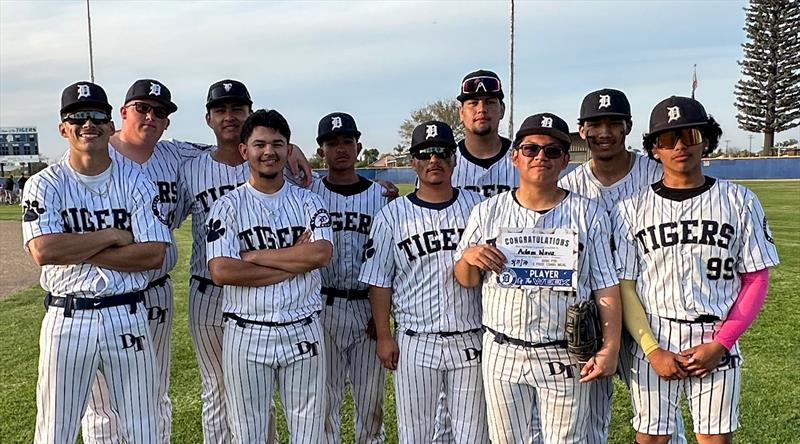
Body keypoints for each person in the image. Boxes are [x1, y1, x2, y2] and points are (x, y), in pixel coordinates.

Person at [612, 96, 779, 444]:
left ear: (705, 139)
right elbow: (625, 287)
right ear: (654, 150)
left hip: (716, 337)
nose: (678, 146)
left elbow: (755, 278)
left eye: (688, 135)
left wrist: (722, 343)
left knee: (715, 440)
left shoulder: (740, 201)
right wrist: (651, 349)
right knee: (651, 438)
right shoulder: (630, 209)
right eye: (666, 139)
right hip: (656, 337)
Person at [454, 113, 621, 443]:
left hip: (565, 351)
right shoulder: (488, 212)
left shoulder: (589, 212)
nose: (540, 157)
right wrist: (469, 257)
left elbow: (606, 286)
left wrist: (611, 346)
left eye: (552, 151)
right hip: (503, 348)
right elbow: (467, 279)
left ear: (564, 161)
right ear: (515, 156)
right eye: (530, 149)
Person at [22, 81, 170, 443]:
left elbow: (153, 254)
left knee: (144, 427)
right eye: (78, 117)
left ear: (110, 124)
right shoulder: (44, 184)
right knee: (55, 429)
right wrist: (112, 235)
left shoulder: (136, 179)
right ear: (63, 128)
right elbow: (43, 251)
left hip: (128, 313)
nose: (88, 124)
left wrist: (74, 246)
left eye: (97, 117)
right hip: (67, 317)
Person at [558, 88, 686, 444]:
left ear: (628, 127)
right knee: (587, 421)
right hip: (592, 317)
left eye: (614, 123)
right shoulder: (569, 185)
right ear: (581, 130)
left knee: (664, 420)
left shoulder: (656, 175)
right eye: (595, 124)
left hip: (652, 312)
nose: (604, 132)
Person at [206, 108, 333, 443]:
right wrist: (294, 258)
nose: (269, 151)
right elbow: (222, 271)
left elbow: (320, 254)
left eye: (277, 144)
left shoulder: (309, 202)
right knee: (249, 433)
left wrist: (257, 256)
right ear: (244, 150)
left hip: (302, 327)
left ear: (289, 150)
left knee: (309, 432)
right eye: (260, 144)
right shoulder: (227, 206)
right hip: (246, 331)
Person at [360, 121, 488, 444]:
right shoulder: (391, 216)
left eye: (442, 153)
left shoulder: (478, 208)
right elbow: (379, 281)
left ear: (455, 159)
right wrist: (384, 336)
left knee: (473, 436)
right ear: (413, 161)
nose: (434, 160)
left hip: (470, 337)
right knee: (415, 435)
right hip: (416, 341)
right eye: (425, 153)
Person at [80, 78, 186, 444]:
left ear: (167, 122)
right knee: (104, 403)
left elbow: (233, 149)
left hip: (155, 291)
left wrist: (295, 148)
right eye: (142, 108)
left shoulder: (175, 155)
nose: (150, 117)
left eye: (160, 112)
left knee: (154, 391)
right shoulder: (92, 153)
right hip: (102, 292)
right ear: (123, 113)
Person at [309, 112, 388, 443]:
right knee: (323, 403)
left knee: (371, 404)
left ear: (358, 147)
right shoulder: (307, 193)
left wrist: (383, 314)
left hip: (366, 307)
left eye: (346, 142)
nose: (340, 148)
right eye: (331, 143)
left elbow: (390, 259)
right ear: (321, 150)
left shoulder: (382, 196)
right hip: (322, 304)